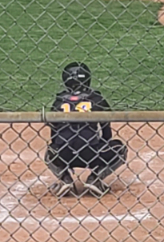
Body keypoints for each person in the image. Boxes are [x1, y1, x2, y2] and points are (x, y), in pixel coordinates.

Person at [46, 62, 128, 197]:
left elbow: (54, 134)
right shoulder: (96, 98)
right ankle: (95, 179)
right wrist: (101, 146)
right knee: (120, 149)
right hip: (91, 153)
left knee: (50, 151)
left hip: (64, 154)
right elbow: (106, 130)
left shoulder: (59, 100)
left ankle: (65, 179)